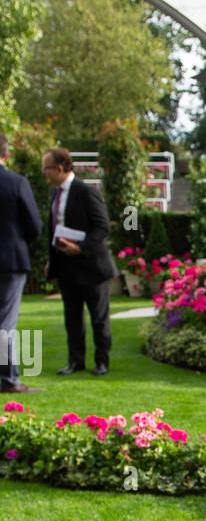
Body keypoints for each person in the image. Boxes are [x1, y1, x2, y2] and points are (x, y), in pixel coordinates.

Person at [41, 147, 117, 376]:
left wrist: (80, 248)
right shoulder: (55, 193)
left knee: (98, 317)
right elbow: (54, 229)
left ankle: (101, 362)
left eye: (46, 168)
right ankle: (75, 361)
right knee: (72, 317)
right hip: (65, 266)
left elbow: (102, 227)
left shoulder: (85, 192)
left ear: (60, 168)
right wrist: (51, 259)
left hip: (91, 265)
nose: (44, 173)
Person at [0, 132, 44, 394]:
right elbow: (34, 225)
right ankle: (9, 380)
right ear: (6, 154)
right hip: (11, 260)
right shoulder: (16, 182)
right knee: (5, 322)